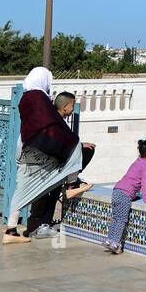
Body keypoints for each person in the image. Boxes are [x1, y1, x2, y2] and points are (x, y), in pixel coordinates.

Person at [2, 68, 86, 245]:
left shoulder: (25, 97)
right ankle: (71, 185)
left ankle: (10, 230)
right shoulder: (39, 98)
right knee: (75, 145)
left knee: (21, 188)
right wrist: (67, 140)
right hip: (37, 146)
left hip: (24, 144)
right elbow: (50, 125)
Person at [24, 91, 94, 239]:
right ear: (65, 106)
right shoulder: (56, 122)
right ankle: (70, 185)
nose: (73, 109)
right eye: (73, 106)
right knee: (51, 193)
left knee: (50, 193)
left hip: (47, 164)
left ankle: (41, 225)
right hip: (50, 166)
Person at [105, 138, 146, 255]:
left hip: (117, 191)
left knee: (115, 217)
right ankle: (115, 244)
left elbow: (131, 179)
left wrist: (133, 196)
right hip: (125, 194)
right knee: (121, 220)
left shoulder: (137, 161)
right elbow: (144, 184)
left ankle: (109, 240)